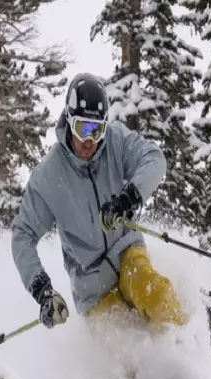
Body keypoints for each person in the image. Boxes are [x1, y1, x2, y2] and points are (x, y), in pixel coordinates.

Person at [11, 72, 188, 332]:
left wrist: (128, 198)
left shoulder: (114, 142)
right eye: (83, 128)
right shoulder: (49, 176)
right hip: (92, 287)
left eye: (97, 129)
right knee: (126, 350)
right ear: (69, 121)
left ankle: (182, 357)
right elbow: (22, 236)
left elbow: (154, 158)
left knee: (158, 294)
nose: (89, 141)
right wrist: (42, 290)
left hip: (127, 253)